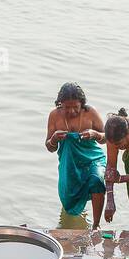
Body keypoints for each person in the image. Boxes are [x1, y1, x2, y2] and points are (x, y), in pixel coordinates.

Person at [45, 83, 106, 229]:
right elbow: (49, 147)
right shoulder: (54, 116)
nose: (71, 111)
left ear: (82, 104)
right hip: (69, 163)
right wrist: (53, 139)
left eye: (75, 107)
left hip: (93, 159)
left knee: (97, 180)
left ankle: (96, 225)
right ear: (60, 104)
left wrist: (95, 134)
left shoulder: (91, 112)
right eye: (67, 107)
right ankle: (69, 223)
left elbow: (106, 138)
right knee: (68, 198)